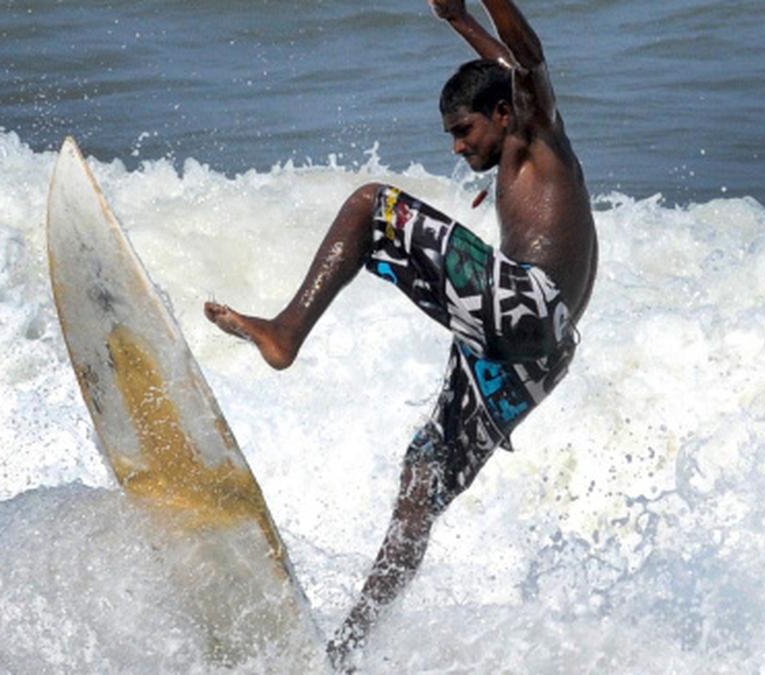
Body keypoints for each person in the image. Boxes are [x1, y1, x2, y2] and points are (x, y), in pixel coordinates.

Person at [204, 0, 596, 667]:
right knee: (423, 476)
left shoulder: (538, 136)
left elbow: (525, 58)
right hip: (536, 353)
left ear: (504, 115)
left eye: (463, 130)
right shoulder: (512, 123)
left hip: (527, 307)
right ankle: (349, 649)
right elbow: (503, 69)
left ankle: (287, 331)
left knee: (372, 205)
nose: (457, 146)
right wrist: (456, 18)